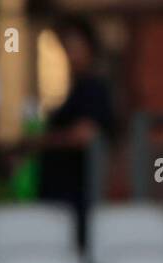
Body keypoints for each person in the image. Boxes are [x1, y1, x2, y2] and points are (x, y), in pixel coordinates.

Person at [21, 15, 114, 246]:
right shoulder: (75, 90)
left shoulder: (92, 88)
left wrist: (38, 142)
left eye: (73, 46)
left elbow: (84, 134)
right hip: (60, 195)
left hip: (75, 196)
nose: (68, 54)